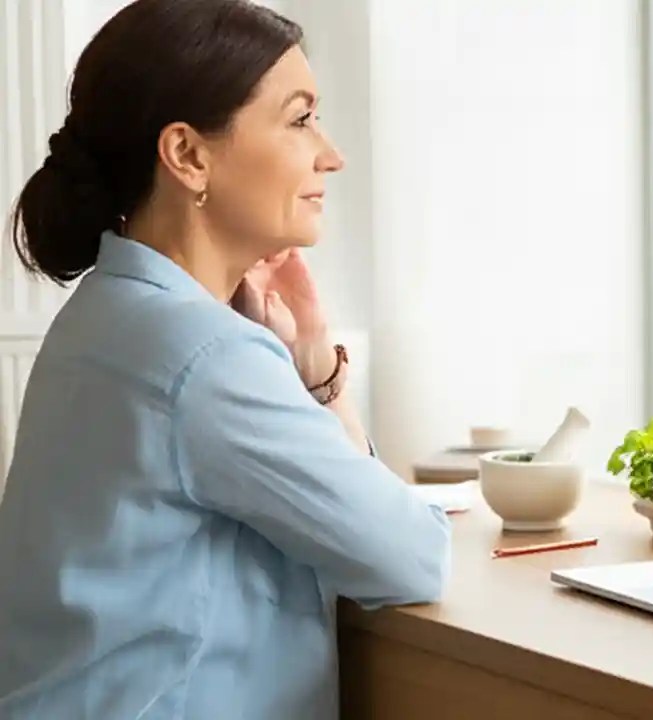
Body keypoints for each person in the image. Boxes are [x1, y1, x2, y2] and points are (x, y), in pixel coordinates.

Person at [0, 1, 451, 717]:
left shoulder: (103, 313)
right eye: (300, 119)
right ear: (187, 154)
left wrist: (305, 367)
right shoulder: (204, 354)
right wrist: (325, 383)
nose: (329, 154)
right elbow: (412, 558)